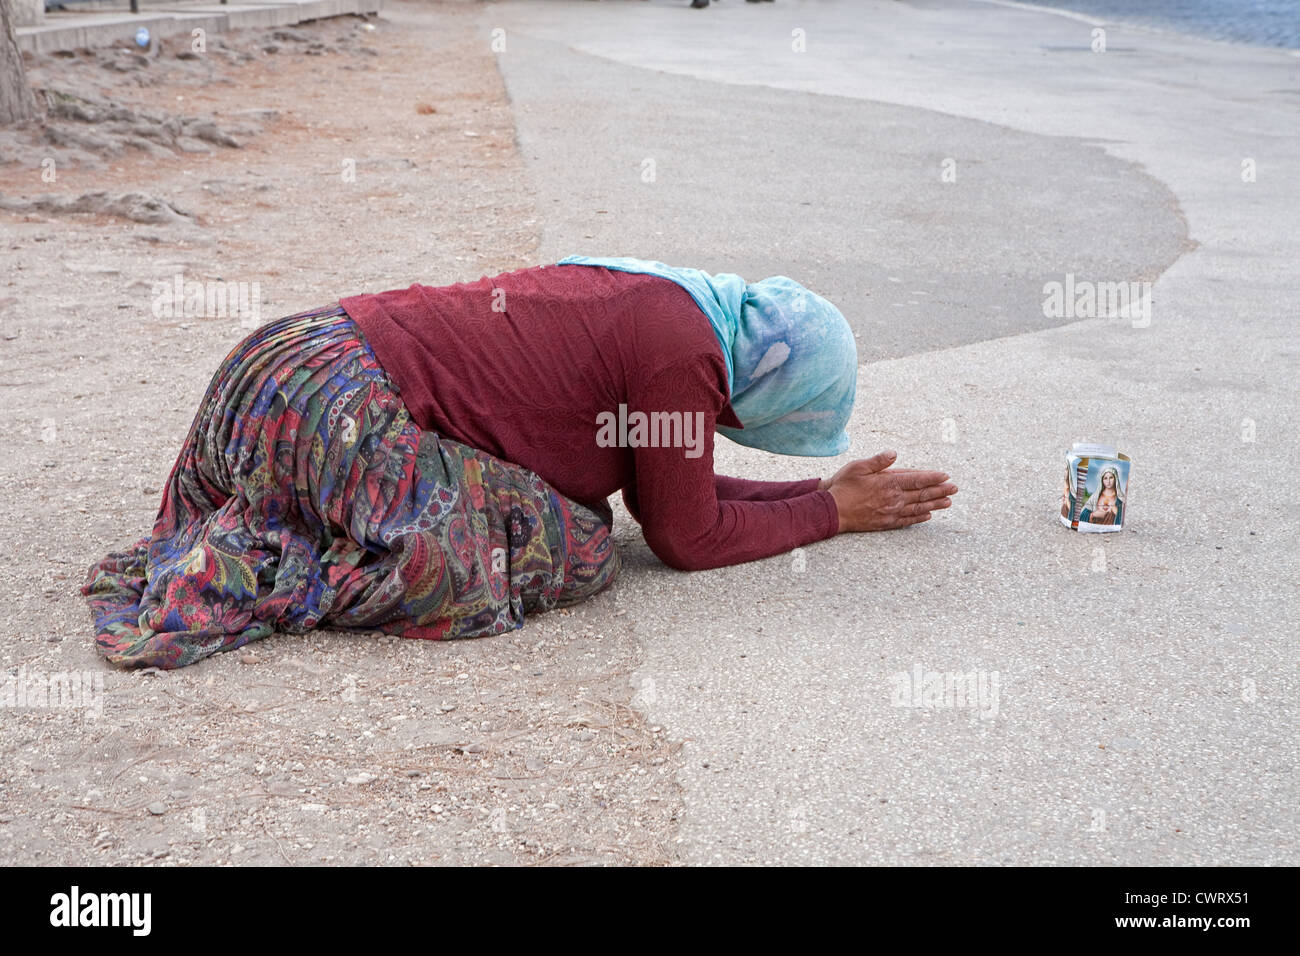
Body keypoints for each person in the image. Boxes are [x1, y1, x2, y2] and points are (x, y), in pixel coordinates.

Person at [82, 257, 957, 669]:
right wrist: (831, 516)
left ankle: (301, 511)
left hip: (280, 363)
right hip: (332, 403)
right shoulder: (681, 358)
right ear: (772, 383)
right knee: (570, 544)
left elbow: (671, 487)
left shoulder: (670, 306)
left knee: (573, 520)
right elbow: (684, 534)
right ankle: (285, 555)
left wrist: (820, 491)